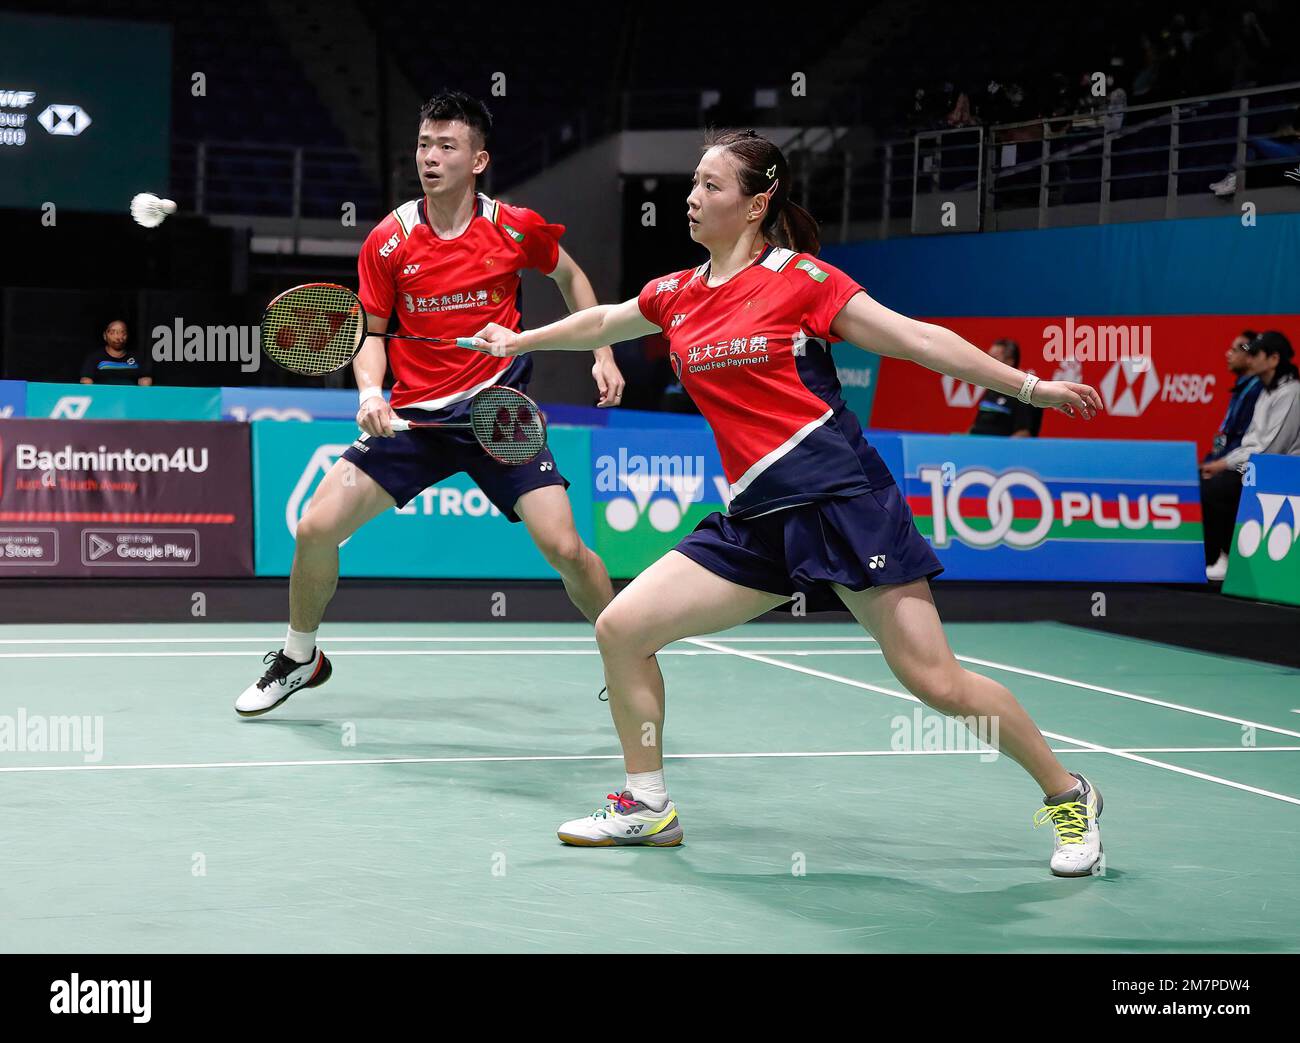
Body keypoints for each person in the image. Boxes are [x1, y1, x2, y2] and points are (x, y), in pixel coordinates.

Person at [470, 129, 1109, 877]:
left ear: (755, 203)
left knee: (935, 680)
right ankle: (647, 805)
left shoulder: (802, 280)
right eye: (694, 183)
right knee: (622, 627)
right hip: (757, 518)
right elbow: (607, 319)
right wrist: (519, 340)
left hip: (844, 502)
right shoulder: (678, 293)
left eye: (711, 185)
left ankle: (1070, 794)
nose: (692, 196)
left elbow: (916, 341)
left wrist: (1031, 389)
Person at [235, 91, 624, 715]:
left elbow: (570, 277)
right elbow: (371, 333)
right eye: (424, 144)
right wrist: (368, 391)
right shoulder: (390, 241)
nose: (431, 157)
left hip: (497, 413)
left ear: (478, 160)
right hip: (414, 420)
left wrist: (601, 351)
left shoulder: (513, 226)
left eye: (447, 146)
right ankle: (301, 656)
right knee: (313, 528)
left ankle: (623, 650)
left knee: (566, 549)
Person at [1200, 331, 1300, 581]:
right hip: (1256, 464)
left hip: (1281, 470)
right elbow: (1250, 442)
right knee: (1205, 482)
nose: (1250, 358)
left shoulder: (1291, 393)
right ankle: (1216, 554)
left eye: (1255, 353)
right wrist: (1224, 463)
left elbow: (1272, 448)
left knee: (1221, 486)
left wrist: (1225, 464)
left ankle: (1229, 556)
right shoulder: (1266, 391)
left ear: (1273, 358)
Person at [968, 339, 1043, 437]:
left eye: (993, 358)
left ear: (1009, 361)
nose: (987, 363)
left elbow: (1023, 433)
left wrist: (1002, 451)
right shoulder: (991, 388)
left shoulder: (1023, 391)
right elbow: (976, 426)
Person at [79, 319, 152, 386]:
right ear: (105, 336)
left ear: (127, 336)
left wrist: (145, 382)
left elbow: (145, 378)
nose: (118, 337)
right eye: (112, 332)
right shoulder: (94, 358)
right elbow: (86, 380)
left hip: (130, 397)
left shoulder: (137, 358)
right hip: (103, 397)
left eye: (122, 333)